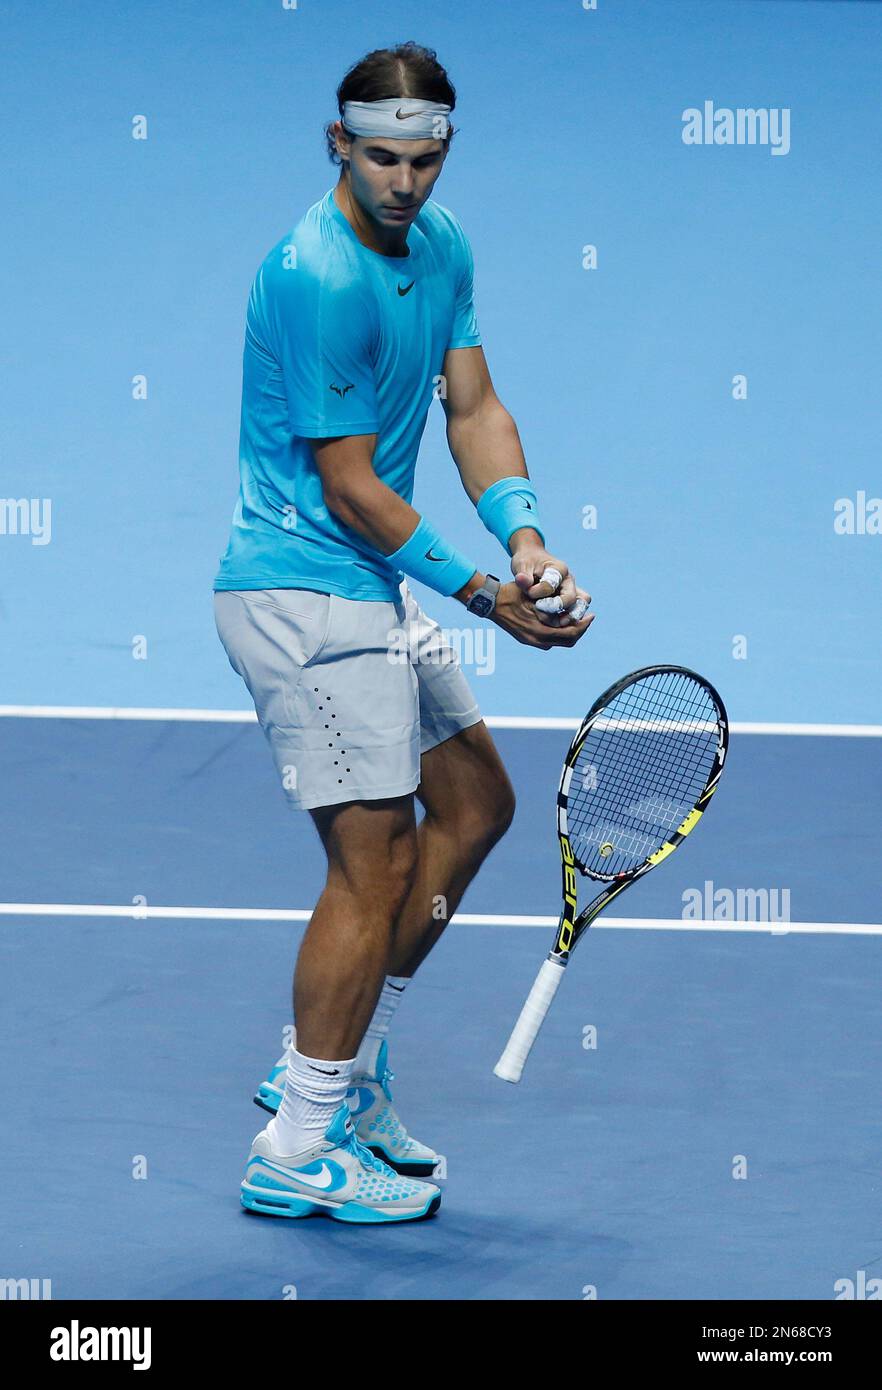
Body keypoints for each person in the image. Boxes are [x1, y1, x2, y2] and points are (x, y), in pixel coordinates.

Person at [214, 41, 593, 1224]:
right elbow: (350, 490)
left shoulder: (442, 245)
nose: (403, 183)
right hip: (304, 591)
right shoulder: (316, 276)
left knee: (474, 805)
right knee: (371, 866)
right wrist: (481, 596)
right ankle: (296, 1142)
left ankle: (346, 1064)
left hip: (368, 586)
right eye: (381, 158)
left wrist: (525, 540)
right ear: (339, 144)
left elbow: (472, 406)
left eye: (424, 161)